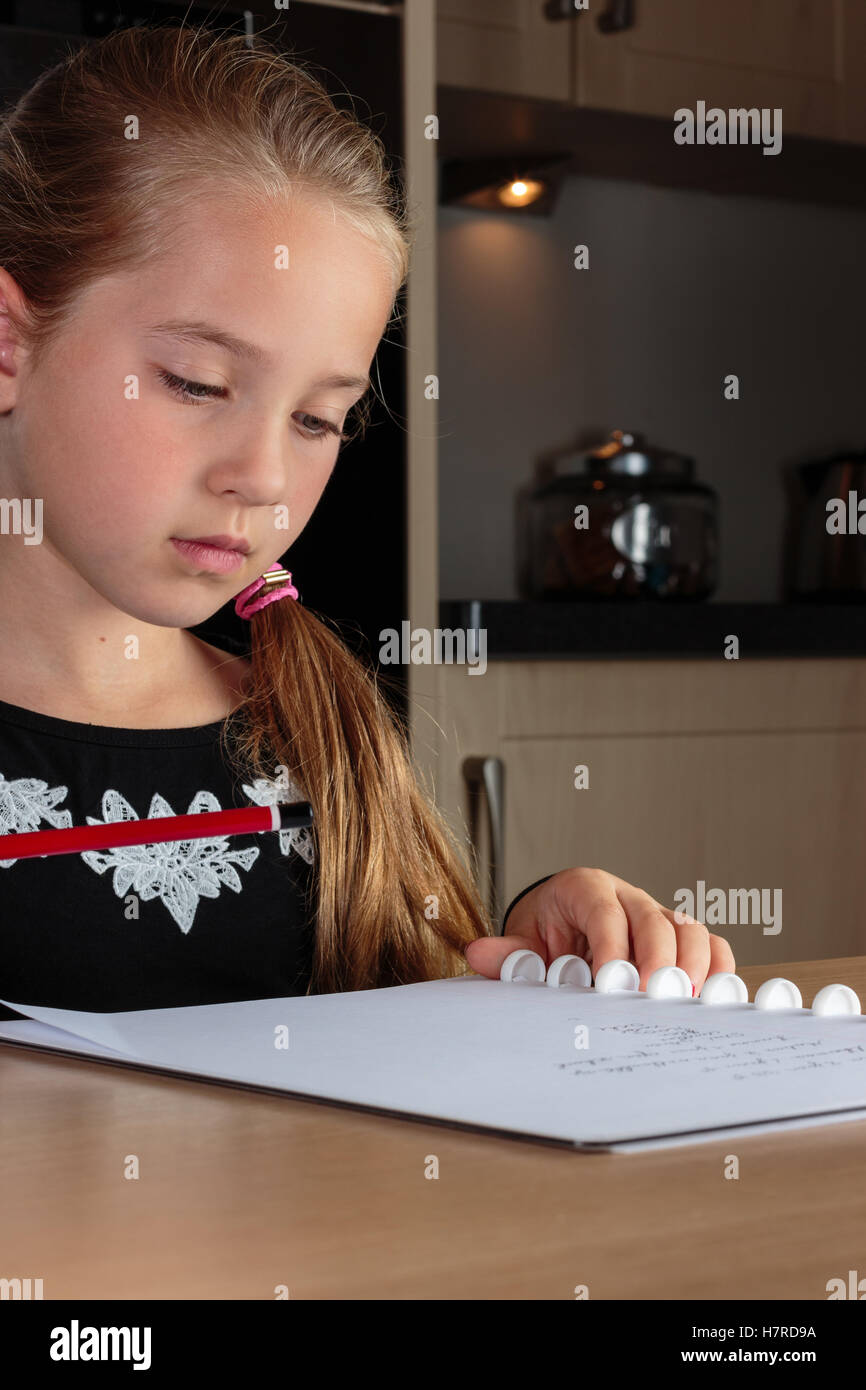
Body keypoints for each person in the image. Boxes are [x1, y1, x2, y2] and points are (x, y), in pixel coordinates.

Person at [0, 24, 734, 1019]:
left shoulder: (316, 740)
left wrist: (526, 960)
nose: (261, 476)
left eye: (316, 420)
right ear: (10, 340)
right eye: (197, 383)